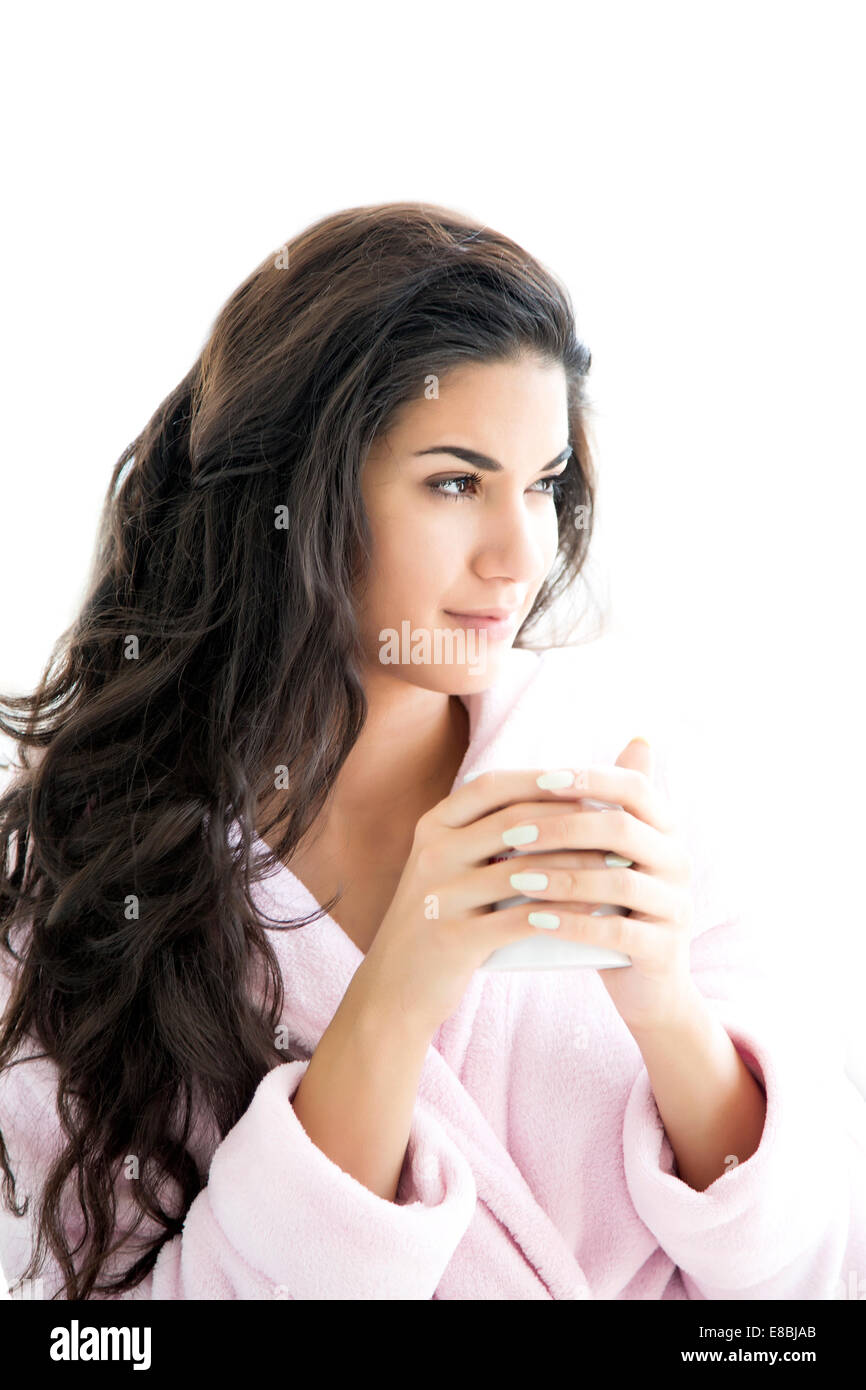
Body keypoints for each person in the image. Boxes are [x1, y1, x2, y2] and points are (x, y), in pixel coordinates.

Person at [1, 202, 864, 1301]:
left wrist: (664, 1010)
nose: (518, 555)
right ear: (296, 493)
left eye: (542, 485)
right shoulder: (92, 884)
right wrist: (398, 989)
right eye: (454, 483)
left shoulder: (637, 784)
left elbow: (823, 1277)